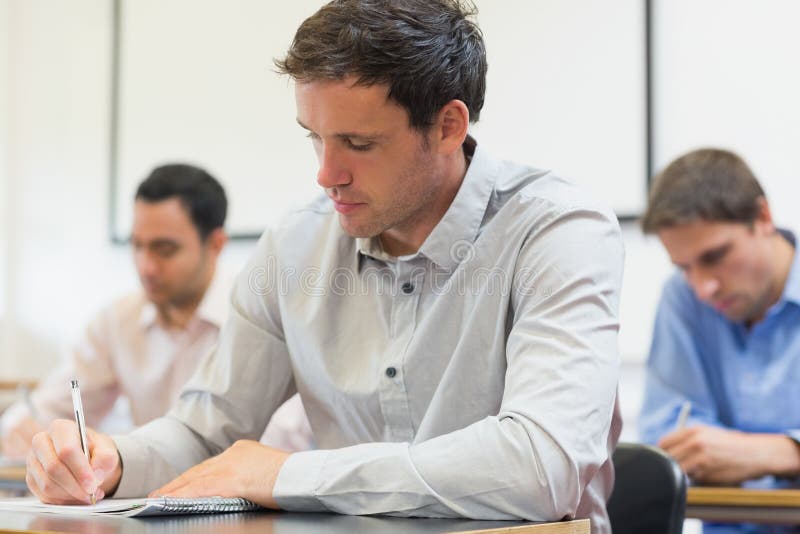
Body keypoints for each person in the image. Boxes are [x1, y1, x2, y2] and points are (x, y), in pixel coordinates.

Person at [25, 2, 624, 532]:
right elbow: (206, 432)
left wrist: (287, 475)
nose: (326, 174)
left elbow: (539, 468)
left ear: (448, 127)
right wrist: (114, 460)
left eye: (358, 144)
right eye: (314, 137)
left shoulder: (558, 231)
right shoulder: (293, 246)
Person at [1, 163, 311, 457]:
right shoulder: (117, 320)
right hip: (146, 488)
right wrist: (25, 430)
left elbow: (278, 441)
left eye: (165, 250)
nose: (146, 266)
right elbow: (45, 409)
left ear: (216, 244)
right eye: (138, 246)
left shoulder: (262, 316)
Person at [639, 149, 800, 530]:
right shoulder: (682, 298)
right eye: (684, 267)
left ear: (763, 217)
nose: (703, 288)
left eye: (714, 256)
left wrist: (784, 452)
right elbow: (667, 436)